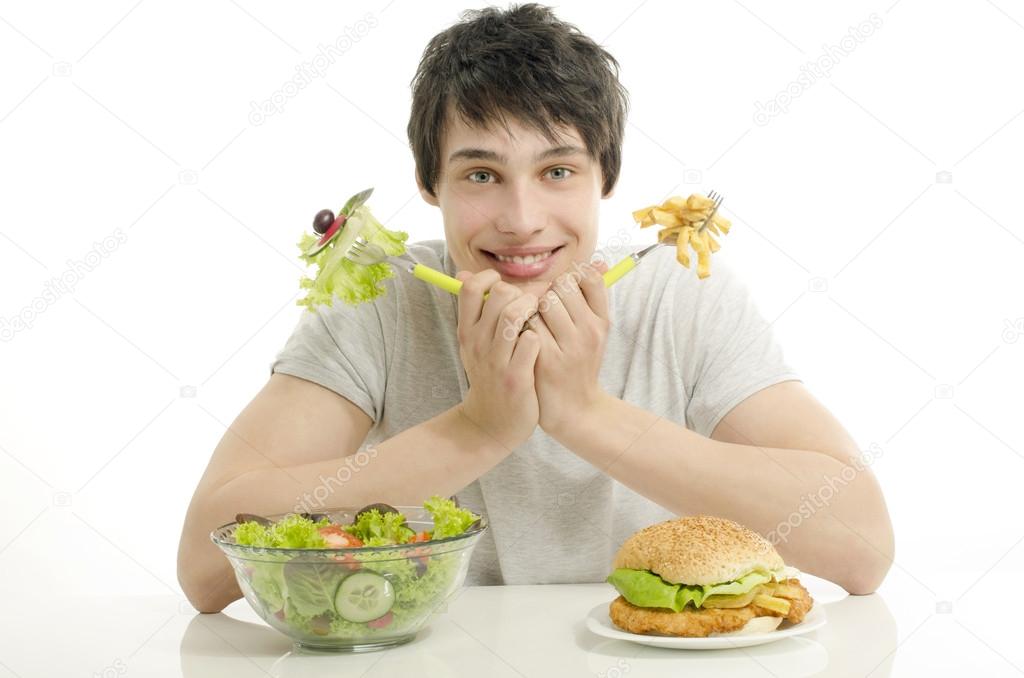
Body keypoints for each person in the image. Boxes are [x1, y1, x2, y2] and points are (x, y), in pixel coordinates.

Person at [177, 3, 894, 613]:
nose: (522, 219)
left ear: (603, 177)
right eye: (482, 174)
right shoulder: (384, 296)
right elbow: (204, 566)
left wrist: (586, 413)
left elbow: (863, 549)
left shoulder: (679, 295)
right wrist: (477, 429)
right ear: (431, 184)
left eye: (557, 171)